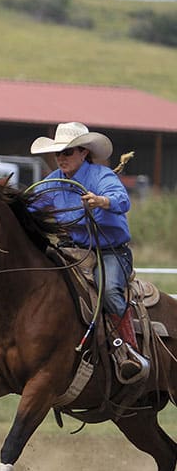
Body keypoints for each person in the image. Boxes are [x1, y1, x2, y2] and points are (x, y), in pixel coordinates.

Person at [30, 121, 146, 382]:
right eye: (58, 153)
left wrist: (102, 201)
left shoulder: (102, 176)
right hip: (71, 250)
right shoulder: (52, 182)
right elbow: (30, 206)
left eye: (67, 152)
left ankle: (128, 350)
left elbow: (122, 200)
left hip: (109, 251)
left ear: (84, 152)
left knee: (109, 290)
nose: (61, 158)